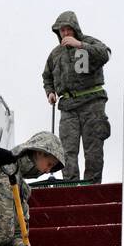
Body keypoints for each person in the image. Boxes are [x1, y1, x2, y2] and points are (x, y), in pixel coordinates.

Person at [42, 10, 111, 183]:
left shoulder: (89, 42)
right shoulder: (55, 54)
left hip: (92, 103)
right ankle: (71, 185)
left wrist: (79, 44)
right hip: (67, 106)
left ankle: (92, 186)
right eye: (61, 30)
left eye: (68, 29)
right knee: (67, 150)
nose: (65, 33)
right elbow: (47, 76)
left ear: (75, 28)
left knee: (93, 148)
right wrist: (50, 91)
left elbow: (105, 54)